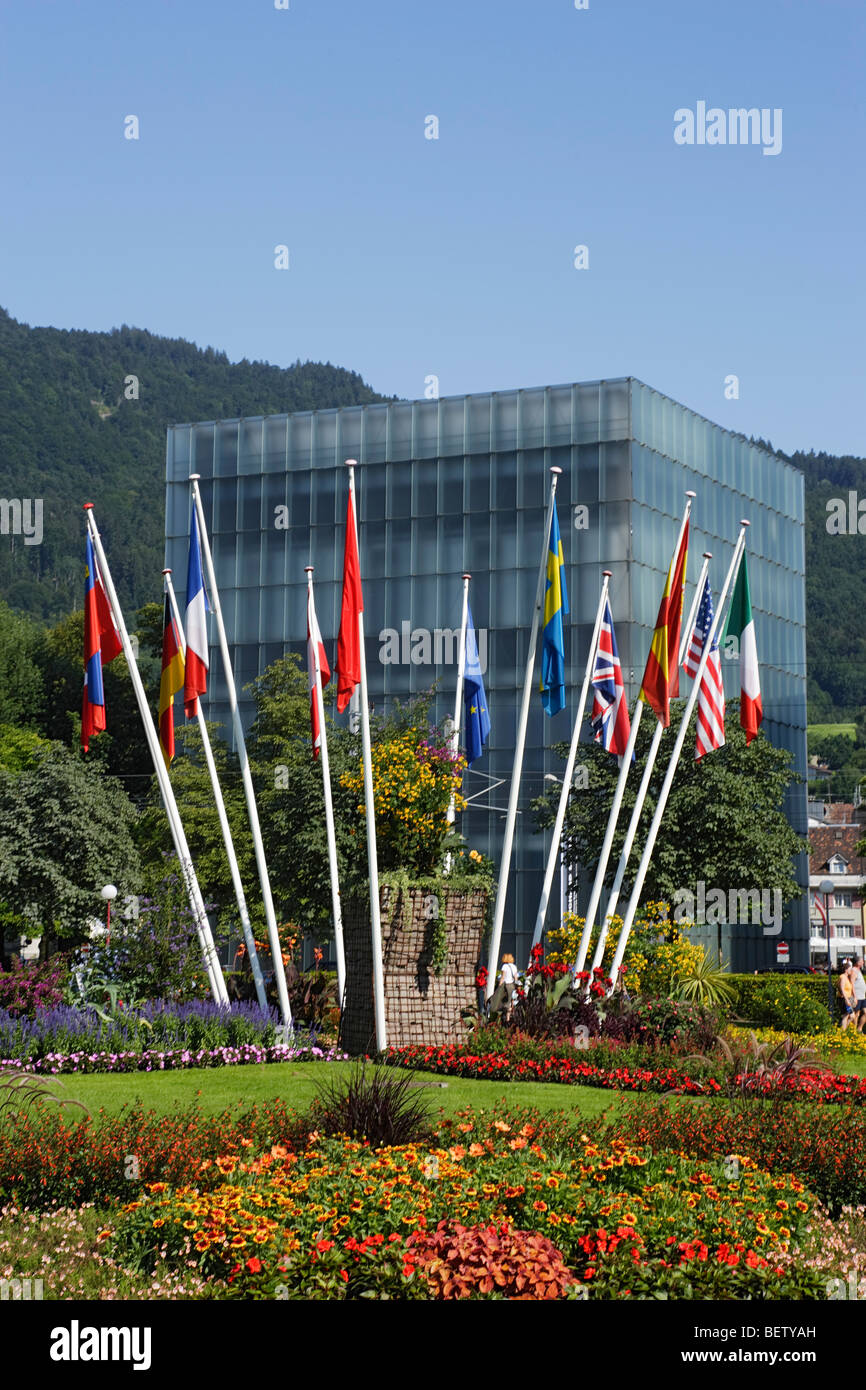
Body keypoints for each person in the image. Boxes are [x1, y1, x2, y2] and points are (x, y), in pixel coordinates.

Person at [839, 960, 857, 1031]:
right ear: (846, 970)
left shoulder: (847, 977)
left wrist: (853, 998)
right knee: (846, 1015)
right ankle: (842, 1031)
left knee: (852, 1016)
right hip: (844, 999)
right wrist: (846, 1000)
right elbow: (842, 989)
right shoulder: (843, 977)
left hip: (848, 998)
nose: (851, 971)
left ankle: (843, 1029)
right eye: (850, 969)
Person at [851, 956, 866, 1032]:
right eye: (862, 961)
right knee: (856, 1014)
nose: (863, 962)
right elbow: (852, 984)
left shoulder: (858, 970)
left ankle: (859, 1028)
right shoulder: (853, 971)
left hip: (862, 996)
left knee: (864, 1013)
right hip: (857, 996)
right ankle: (854, 1031)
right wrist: (854, 996)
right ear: (857, 962)